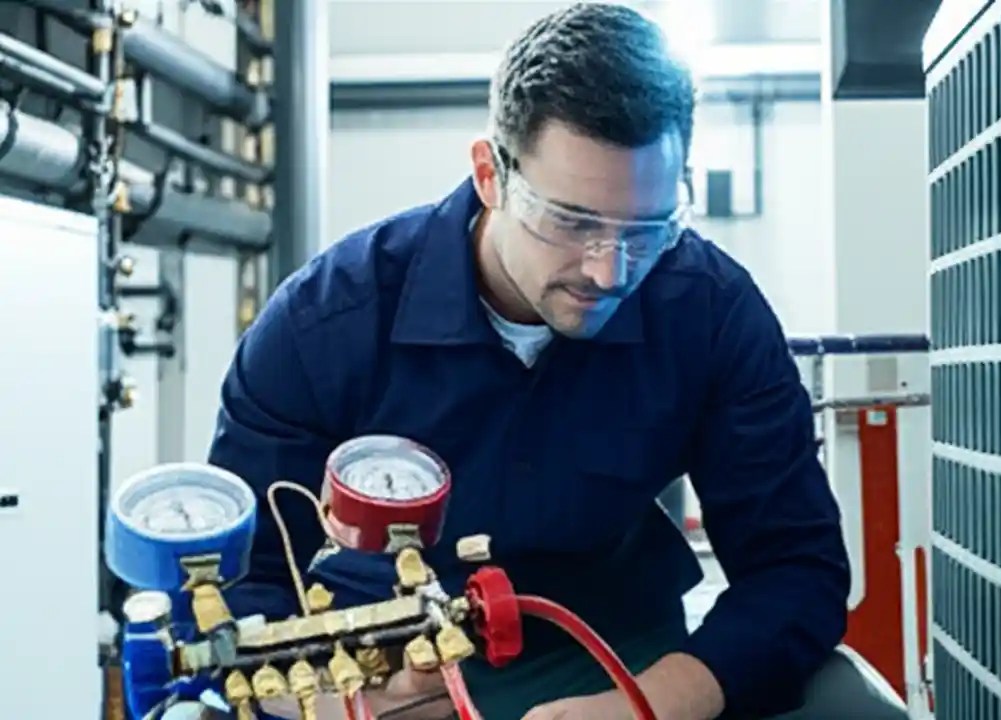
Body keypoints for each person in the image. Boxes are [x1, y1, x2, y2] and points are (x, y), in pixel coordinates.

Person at [210, 4, 897, 718]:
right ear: (489, 175)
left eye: (647, 228)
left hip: (616, 653)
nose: (608, 271)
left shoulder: (709, 311)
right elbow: (239, 589)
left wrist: (652, 703)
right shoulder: (327, 322)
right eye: (570, 222)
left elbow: (796, 568)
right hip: (384, 662)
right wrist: (343, 702)